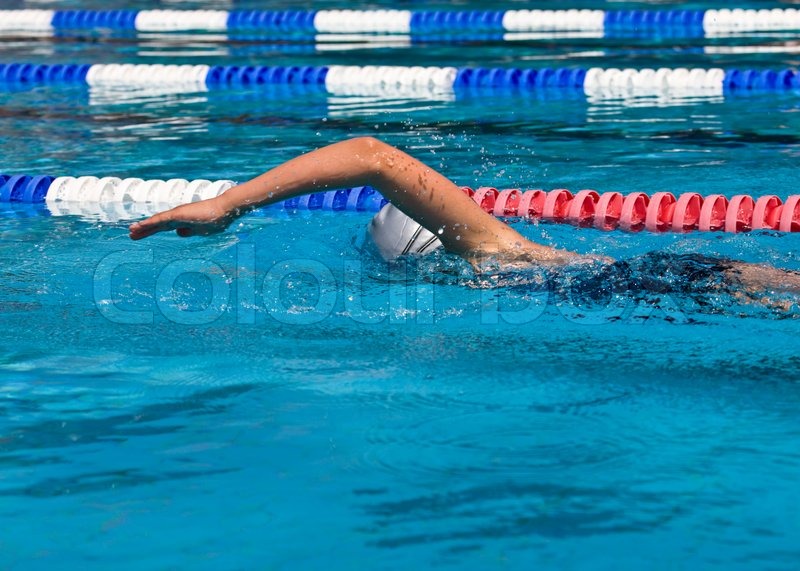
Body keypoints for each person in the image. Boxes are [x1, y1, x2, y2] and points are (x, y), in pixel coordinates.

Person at [129, 136, 800, 305]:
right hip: (642, 286)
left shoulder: (483, 247)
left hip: (653, 281)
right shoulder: (486, 272)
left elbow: (371, 157)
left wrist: (227, 204)